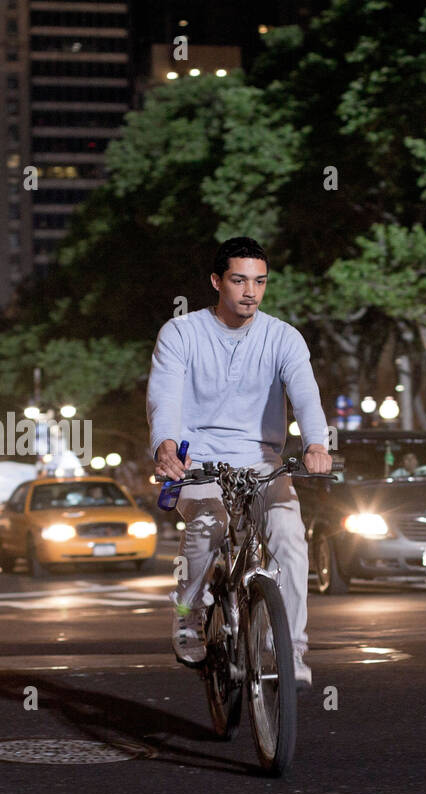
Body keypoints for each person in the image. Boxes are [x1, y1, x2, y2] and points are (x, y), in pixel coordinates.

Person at [148, 236, 332, 684]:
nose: (250, 291)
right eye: (239, 280)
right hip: (198, 460)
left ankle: (290, 650)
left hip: (262, 461)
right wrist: (165, 445)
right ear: (216, 281)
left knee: (289, 534)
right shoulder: (181, 332)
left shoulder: (283, 337)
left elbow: (306, 393)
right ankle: (188, 617)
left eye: (260, 281)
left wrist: (316, 444)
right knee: (208, 523)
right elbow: (165, 395)